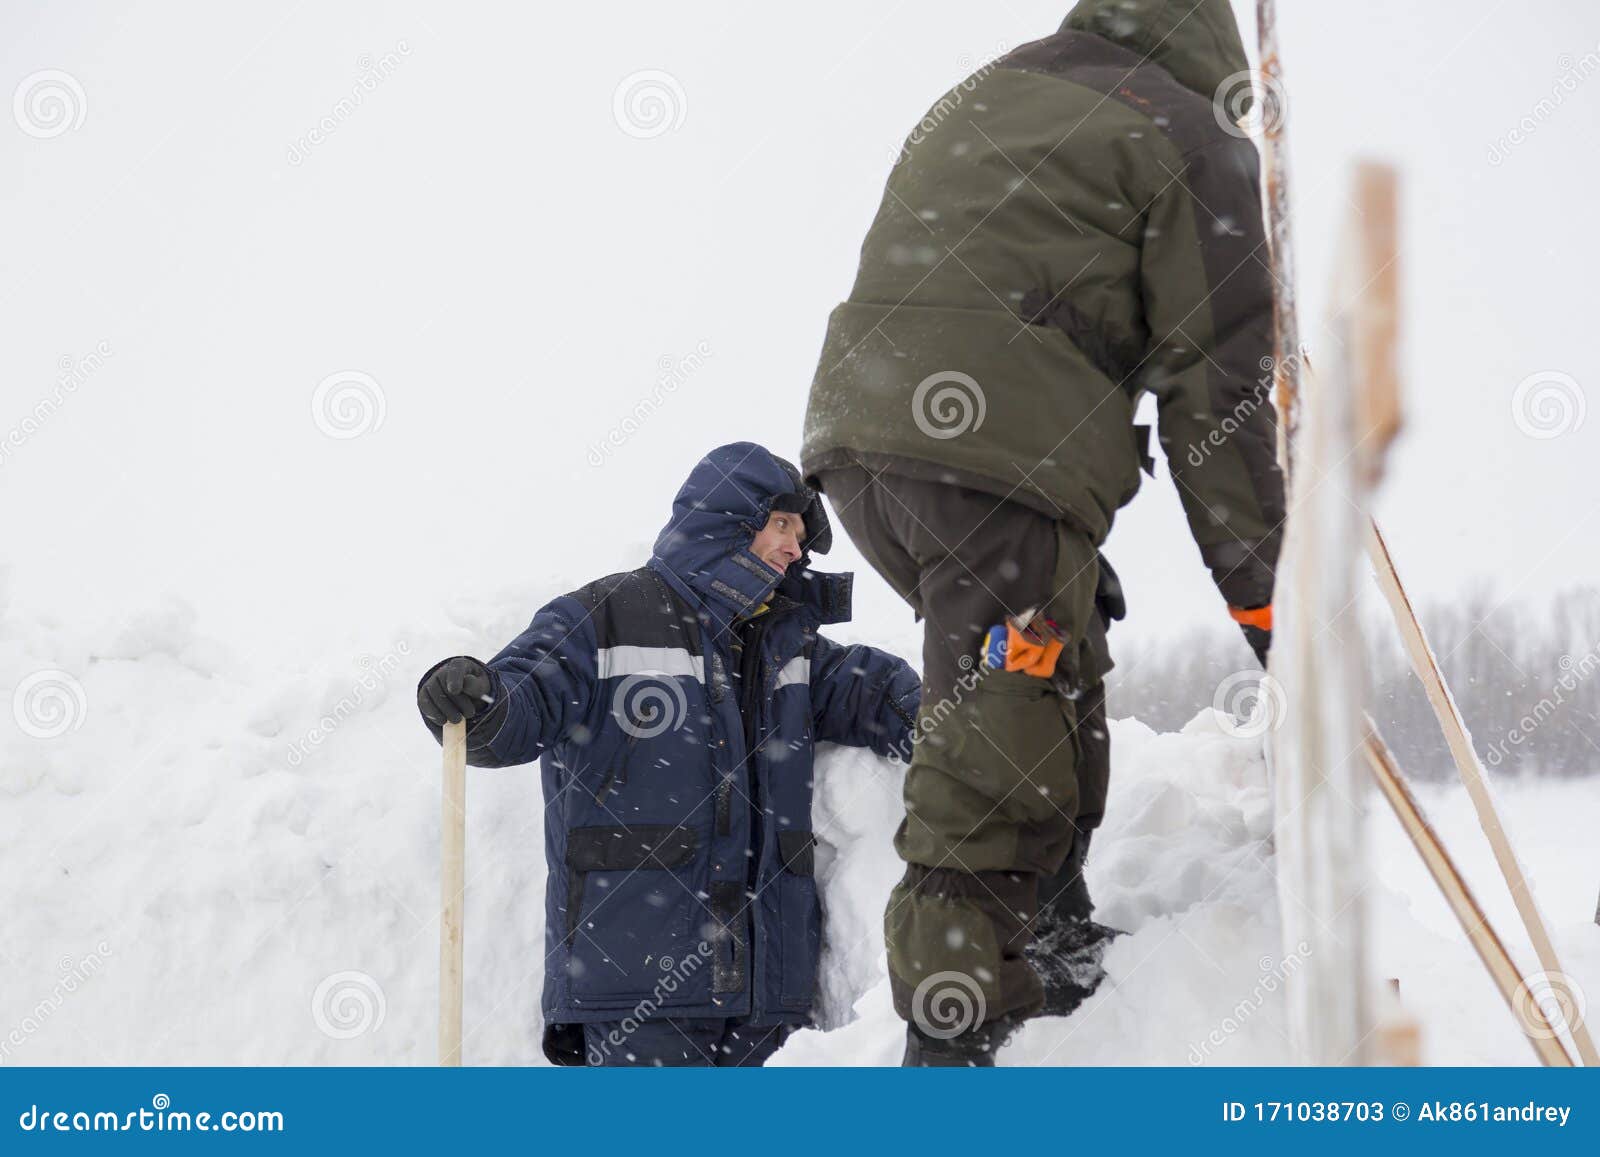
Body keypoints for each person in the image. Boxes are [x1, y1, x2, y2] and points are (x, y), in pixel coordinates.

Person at [801, 0, 1284, 1065]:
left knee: (1048, 657)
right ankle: (953, 1016)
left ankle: (1047, 936)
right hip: (987, 456)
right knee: (1003, 713)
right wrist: (1266, 597)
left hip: (864, 441)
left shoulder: (990, 88)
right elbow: (1219, 394)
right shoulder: (1192, 133)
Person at [417, 442, 920, 1066]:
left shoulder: (790, 648)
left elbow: (883, 696)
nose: (795, 548)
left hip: (769, 1000)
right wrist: (479, 700)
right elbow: (519, 709)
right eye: (782, 524)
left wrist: (971, 722)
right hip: (640, 995)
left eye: (800, 533)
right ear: (729, 521)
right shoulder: (606, 618)